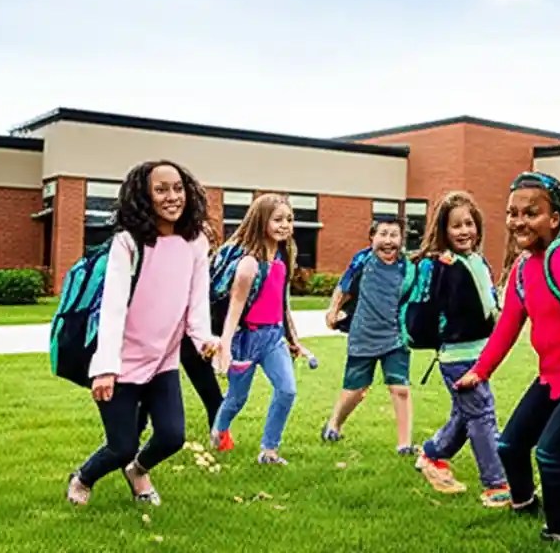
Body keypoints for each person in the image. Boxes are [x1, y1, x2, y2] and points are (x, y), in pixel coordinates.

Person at [456, 172, 560, 543]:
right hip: (553, 375)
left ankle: (559, 531)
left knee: (550, 452)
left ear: (555, 219)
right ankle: (524, 505)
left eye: (531, 213)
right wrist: (479, 372)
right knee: (510, 445)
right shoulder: (521, 270)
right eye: (513, 213)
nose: (518, 222)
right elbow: (507, 328)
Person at [65, 160, 220, 507]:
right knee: (121, 445)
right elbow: (113, 307)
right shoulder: (128, 243)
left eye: (178, 188)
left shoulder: (195, 242)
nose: (172, 196)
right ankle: (83, 477)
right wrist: (105, 367)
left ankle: (138, 471)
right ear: (144, 196)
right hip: (121, 362)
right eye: (161, 189)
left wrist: (206, 341)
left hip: (162, 360)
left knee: (171, 436)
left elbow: (196, 304)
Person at [407, 191, 511, 507]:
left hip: (481, 351)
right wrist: (442, 268)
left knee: (466, 414)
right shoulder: (442, 266)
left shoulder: (476, 261)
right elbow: (438, 309)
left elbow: (487, 305)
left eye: (469, 223)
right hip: (457, 355)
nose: (464, 231)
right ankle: (497, 483)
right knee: (481, 415)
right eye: (456, 226)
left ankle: (432, 453)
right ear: (443, 231)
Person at [210, 193, 310, 466]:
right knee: (237, 398)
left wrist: (294, 340)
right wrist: (225, 347)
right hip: (245, 339)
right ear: (260, 221)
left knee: (287, 390)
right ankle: (218, 430)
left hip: (273, 338)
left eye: (289, 219)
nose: (285, 225)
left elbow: (283, 303)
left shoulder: (284, 255)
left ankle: (269, 451)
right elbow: (235, 309)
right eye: (277, 219)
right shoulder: (248, 264)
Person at [321, 218, 415, 455]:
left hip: (396, 335)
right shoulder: (363, 260)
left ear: (401, 240)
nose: (388, 240)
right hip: (363, 334)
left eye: (394, 235)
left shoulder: (408, 266)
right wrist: (333, 310)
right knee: (356, 389)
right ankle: (334, 424)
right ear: (372, 238)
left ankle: (404, 444)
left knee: (400, 388)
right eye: (383, 234)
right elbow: (343, 286)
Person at [136, 223, 224, 439]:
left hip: (192, 338)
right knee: (148, 393)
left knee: (210, 392)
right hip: (173, 337)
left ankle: (221, 438)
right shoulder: (172, 266)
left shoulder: (211, 270)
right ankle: (129, 439)